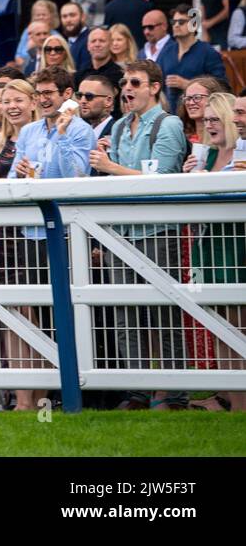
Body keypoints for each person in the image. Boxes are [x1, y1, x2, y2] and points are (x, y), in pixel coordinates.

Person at [88, 59, 189, 410]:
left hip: (157, 228)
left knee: (164, 314)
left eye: (135, 82)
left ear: (155, 87)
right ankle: (137, 392)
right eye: (125, 83)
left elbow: (162, 180)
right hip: (121, 231)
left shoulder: (169, 124)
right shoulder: (117, 127)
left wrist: (110, 167)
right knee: (125, 313)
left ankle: (175, 394)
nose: (127, 89)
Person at [187, 92, 246, 413]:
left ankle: (240, 402)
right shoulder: (205, 156)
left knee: (238, 321)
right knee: (218, 322)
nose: (208, 125)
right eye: (205, 119)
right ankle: (229, 398)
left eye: (215, 119)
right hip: (207, 242)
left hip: (235, 242)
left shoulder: (242, 152)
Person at [157, 4, 226, 112]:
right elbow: (155, 81)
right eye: (173, 22)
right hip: (169, 116)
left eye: (181, 22)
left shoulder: (208, 52)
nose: (176, 25)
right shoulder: (166, 52)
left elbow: (222, 87)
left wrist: (188, 84)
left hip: (200, 115)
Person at [74, 26, 124, 92]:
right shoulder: (79, 74)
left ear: (111, 45)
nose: (97, 44)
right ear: (88, 46)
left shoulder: (119, 74)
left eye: (102, 41)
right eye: (93, 41)